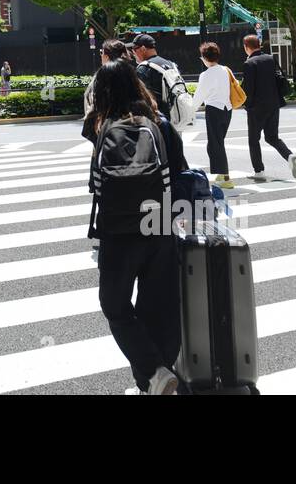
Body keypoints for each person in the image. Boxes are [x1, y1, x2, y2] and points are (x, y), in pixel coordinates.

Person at [83, 60, 182, 395]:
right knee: (159, 307)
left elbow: (96, 184)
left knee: (115, 305)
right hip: (159, 225)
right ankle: (156, 377)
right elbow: (175, 176)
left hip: (118, 230)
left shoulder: (103, 125)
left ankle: (154, 375)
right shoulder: (157, 123)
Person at [241, 34, 296, 180]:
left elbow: (248, 89)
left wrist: (246, 105)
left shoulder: (249, 64)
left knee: (253, 140)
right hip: (274, 104)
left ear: (246, 47)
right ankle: (289, 155)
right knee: (272, 137)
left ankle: (259, 171)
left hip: (257, 107)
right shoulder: (270, 58)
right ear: (259, 45)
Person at [194, 42, 234, 188]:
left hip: (214, 109)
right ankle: (221, 174)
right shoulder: (225, 70)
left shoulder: (205, 74)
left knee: (215, 144)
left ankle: (225, 178)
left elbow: (199, 96)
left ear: (204, 58)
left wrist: (189, 111)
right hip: (227, 109)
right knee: (216, 143)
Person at [84, 39, 130, 116]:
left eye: (102, 52)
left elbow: (94, 103)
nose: (101, 55)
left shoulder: (101, 76)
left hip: (106, 121)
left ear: (106, 56)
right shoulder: (131, 73)